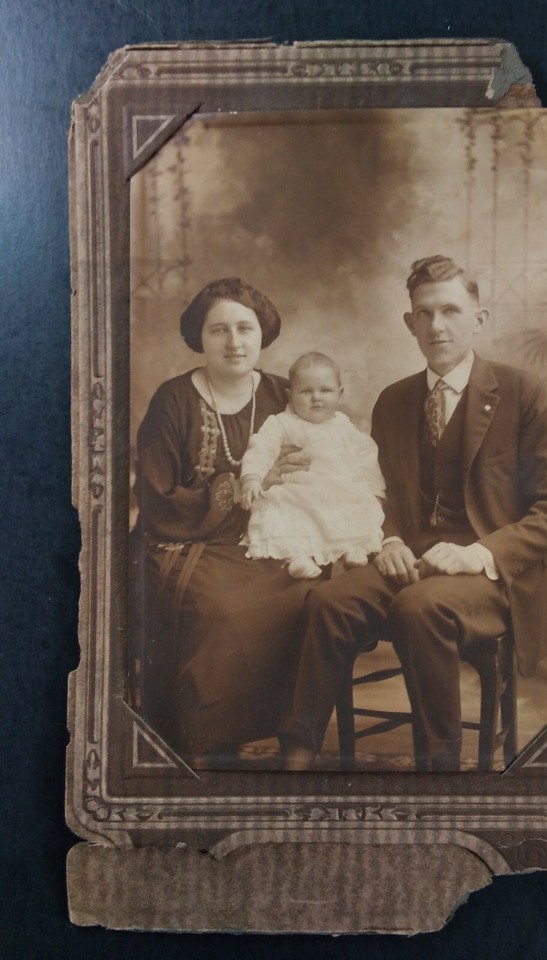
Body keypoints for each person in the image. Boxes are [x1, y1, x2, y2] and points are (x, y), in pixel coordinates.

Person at [281, 255, 547, 771]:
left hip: (491, 576)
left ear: (478, 319)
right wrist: (386, 540)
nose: (438, 325)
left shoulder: (521, 394)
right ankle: (296, 755)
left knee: (420, 608)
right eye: (425, 313)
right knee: (328, 601)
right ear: (409, 322)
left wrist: (478, 552)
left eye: (451, 310)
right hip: (407, 559)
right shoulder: (393, 401)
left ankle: (439, 767)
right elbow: (377, 492)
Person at [131, 277, 313, 767]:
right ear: (199, 337)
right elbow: (157, 496)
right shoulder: (174, 400)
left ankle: (294, 738)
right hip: (185, 540)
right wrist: (242, 486)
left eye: (245, 328)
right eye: (219, 330)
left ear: (263, 334)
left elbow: (319, 467)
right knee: (223, 609)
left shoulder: (283, 395)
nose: (234, 342)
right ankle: (207, 744)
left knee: (310, 595)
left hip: (274, 539)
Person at [239, 352, 385, 579]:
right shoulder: (282, 423)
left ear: (340, 394)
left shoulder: (345, 427)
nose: (316, 397)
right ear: (290, 395)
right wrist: (252, 477)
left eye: (325, 390)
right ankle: (296, 557)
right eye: (306, 391)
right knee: (283, 512)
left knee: (356, 508)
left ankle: (353, 548)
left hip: (339, 492)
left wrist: (375, 492)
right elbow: (261, 448)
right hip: (298, 491)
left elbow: (367, 459)